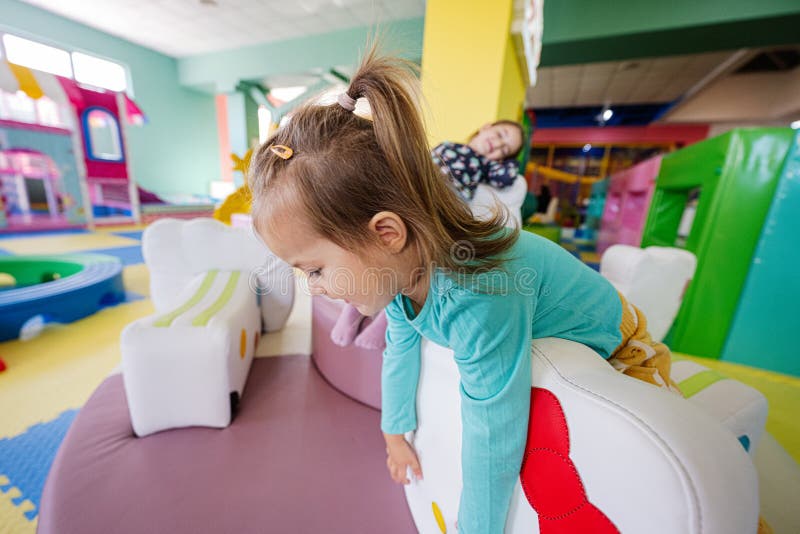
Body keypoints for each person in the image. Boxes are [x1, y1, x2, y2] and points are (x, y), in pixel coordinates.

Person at [248, 46, 680, 533]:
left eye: (315, 270)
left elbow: (493, 428)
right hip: (558, 338)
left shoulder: (478, 293)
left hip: (622, 344)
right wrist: (393, 430)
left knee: (669, 460)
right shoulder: (400, 269)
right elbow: (401, 346)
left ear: (386, 233)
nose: (315, 290)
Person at [432, 121, 524, 202]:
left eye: (504, 150)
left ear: (500, 159)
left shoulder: (487, 165)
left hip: (449, 195)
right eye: (499, 134)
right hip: (427, 177)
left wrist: (512, 162)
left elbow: (506, 178)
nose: (498, 144)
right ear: (486, 127)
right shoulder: (448, 144)